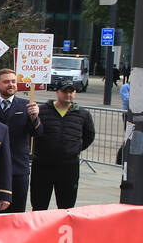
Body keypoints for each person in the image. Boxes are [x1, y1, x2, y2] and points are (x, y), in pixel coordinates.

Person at [30, 81, 95, 210]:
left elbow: (89, 136)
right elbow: (34, 132)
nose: (68, 94)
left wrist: (74, 149)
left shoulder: (83, 114)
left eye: (71, 91)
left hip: (69, 166)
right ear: (57, 92)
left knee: (67, 205)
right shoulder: (42, 111)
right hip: (43, 165)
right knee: (39, 204)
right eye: (65, 91)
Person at [0, 68, 42, 213]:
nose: (11, 84)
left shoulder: (27, 106)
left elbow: (38, 133)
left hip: (18, 167)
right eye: (6, 82)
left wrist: (34, 118)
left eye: (13, 81)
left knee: (16, 213)